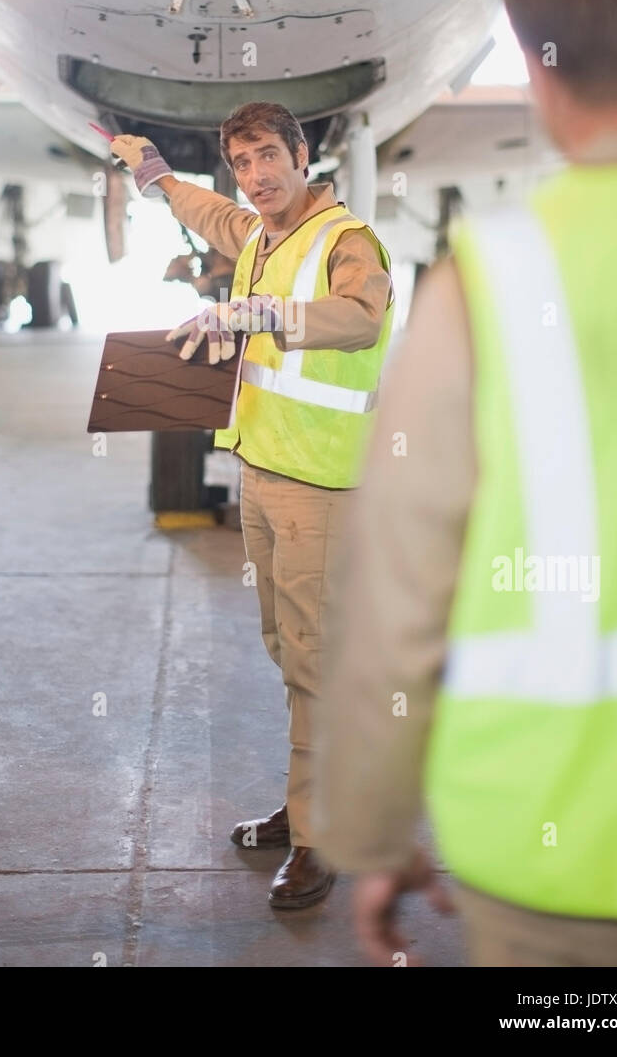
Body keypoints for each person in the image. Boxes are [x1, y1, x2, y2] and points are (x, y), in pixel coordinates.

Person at [314, 0, 617, 965]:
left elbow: (396, 599)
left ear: (539, 68)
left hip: (551, 866)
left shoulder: (490, 283)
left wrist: (370, 833)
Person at [110, 102, 394, 908]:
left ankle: (321, 831)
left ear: (303, 155)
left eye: (270, 155)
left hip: (319, 484)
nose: (257, 176)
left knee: (312, 660)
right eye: (242, 161)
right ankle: (309, 803)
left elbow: (361, 318)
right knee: (287, 649)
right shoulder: (263, 234)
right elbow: (214, 214)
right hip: (264, 473)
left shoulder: (345, 241)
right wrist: (159, 176)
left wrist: (265, 313)